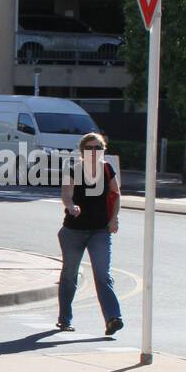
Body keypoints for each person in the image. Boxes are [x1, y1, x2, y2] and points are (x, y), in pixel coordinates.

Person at [57, 130, 123, 336]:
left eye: (98, 148)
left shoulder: (107, 170)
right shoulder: (73, 170)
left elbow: (116, 194)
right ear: (82, 151)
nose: (94, 152)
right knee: (70, 275)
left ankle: (113, 318)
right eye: (90, 148)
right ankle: (65, 318)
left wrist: (113, 219)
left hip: (100, 231)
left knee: (103, 275)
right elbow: (66, 195)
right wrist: (71, 206)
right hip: (73, 231)